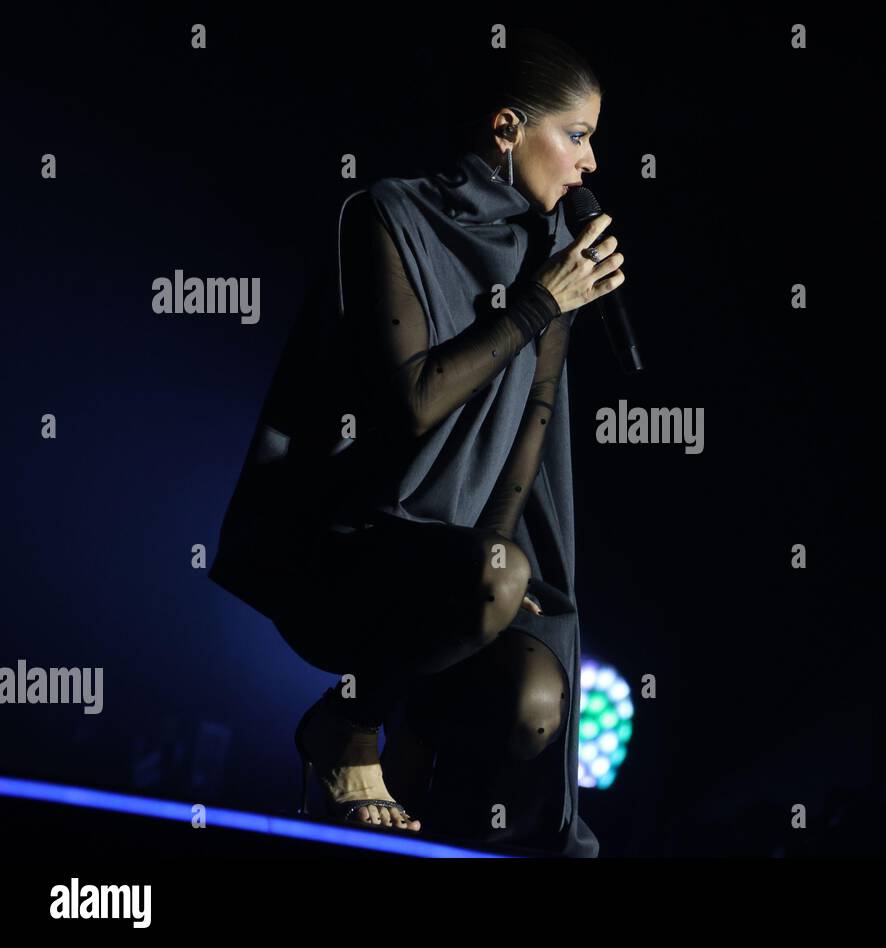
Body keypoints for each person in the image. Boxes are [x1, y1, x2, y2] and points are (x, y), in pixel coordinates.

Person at [208, 28, 623, 857]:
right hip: (355, 543)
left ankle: (426, 764)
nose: (590, 164)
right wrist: (538, 306)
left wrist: (492, 572)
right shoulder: (385, 214)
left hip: (463, 559)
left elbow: (532, 424)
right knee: (492, 579)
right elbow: (411, 404)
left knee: (538, 699)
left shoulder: (549, 255)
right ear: (506, 129)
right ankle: (350, 727)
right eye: (576, 135)